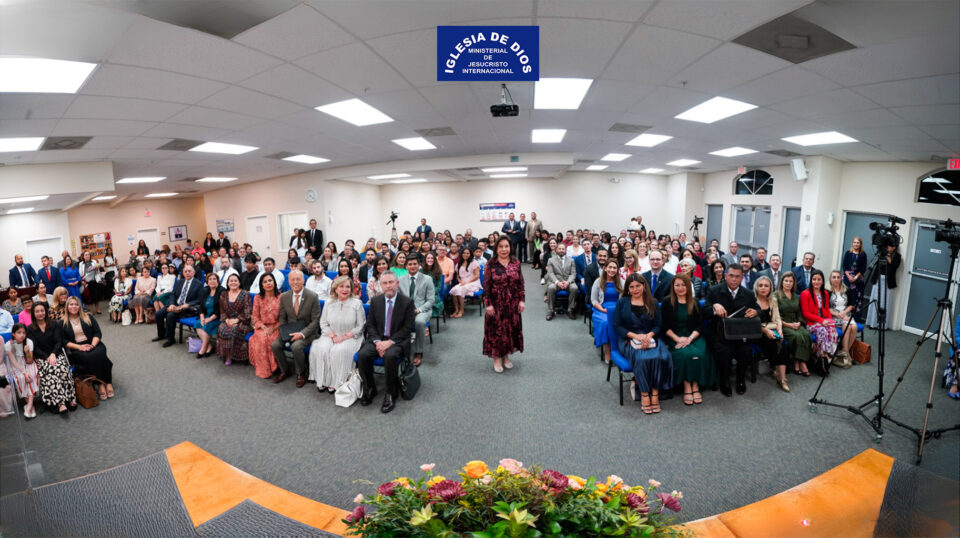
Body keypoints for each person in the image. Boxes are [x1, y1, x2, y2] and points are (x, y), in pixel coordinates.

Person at [612, 273, 673, 414]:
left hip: (651, 337)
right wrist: (636, 337)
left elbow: (658, 325)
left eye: (638, 286)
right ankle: (645, 393)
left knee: (662, 357)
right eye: (631, 287)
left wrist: (648, 336)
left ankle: (656, 393)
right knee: (642, 358)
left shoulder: (652, 302)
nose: (635, 289)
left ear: (644, 286)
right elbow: (618, 326)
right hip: (628, 339)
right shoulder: (622, 302)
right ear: (628, 289)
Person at [357, 271, 414, 413]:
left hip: (397, 341)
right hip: (378, 339)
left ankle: (391, 393)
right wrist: (377, 342)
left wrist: (389, 342)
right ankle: (370, 388)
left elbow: (407, 329)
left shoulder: (407, 302)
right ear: (380, 285)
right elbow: (370, 325)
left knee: (389, 356)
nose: (388, 286)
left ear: (397, 284)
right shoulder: (376, 301)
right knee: (363, 355)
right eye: (385, 283)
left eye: (391, 282)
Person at [706, 264, 759, 396]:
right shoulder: (714, 290)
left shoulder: (748, 294)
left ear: (742, 278)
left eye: (737, 276)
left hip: (740, 333)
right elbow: (704, 310)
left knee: (745, 351)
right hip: (719, 333)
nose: (734, 279)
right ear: (725, 276)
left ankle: (740, 380)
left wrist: (756, 312)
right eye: (731, 276)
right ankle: (725, 381)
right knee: (725, 351)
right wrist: (714, 307)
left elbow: (760, 310)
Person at [661, 274, 714, 405]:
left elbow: (699, 325)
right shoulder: (668, 302)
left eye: (683, 285)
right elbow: (664, 326)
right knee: (685, 354)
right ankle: (687, 386)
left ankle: (695, 385)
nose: (680, 288)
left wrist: (689, 339)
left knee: (699, 354)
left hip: (693, 336)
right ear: (673, 287)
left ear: (688, 286)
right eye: (677, 285)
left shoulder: (694, 302)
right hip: (674, 336)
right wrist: (678, 339)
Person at [309, 275, 365, 393]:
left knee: (337, 351)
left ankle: (337, 382)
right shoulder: (329, 302)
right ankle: (323, 380)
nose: (344, 290)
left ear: (351, 289)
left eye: (348, 287)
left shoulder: (357, 303)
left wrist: (344, 336)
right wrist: (333, 336)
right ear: (335, 289)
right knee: (321, 348)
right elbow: (323, 323)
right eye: (341, 286)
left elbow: (361, 326)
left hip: (351, 336)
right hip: (331, 334)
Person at [270, 270, 320, 387]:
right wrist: (285, 332)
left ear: (304, 280)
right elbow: (282, 317)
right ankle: (285, 371)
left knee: (296, 346)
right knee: (275, 345)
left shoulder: (312, 296)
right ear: (289, 281)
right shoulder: (285, 296)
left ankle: (301, 373)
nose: (295, 282)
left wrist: (301, 334)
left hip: (307, 332)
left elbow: (315, 321)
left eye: (298, 279)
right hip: (289, 330)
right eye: (292, 279)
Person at [483, 236, 525, 373]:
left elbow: (521, 283)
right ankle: (496, 357)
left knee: (509, 330)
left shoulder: (516, 263)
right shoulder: (491, 264)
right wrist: (488, 304)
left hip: (512, 303)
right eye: (500, 246)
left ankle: (506, 356)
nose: (504, 249)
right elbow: (487, 285)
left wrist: (522, 300)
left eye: (506, 246)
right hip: (496, 303)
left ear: (510, 247)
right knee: (496, 331)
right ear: (496, 248)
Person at [27, 302, 77, 414]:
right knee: (51, 370)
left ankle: (70, 398)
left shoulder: (54, 324)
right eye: (37, 311)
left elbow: (59, 341)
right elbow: (34, 347)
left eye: (42, 311)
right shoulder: (30, 329)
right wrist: (47, 357)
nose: (40, 313)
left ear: (46, 311)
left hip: (56, 353)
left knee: (63, 369)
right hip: (41, 357)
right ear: (33, 313)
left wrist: (53, 354)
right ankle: (60, 403)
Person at [61, 296, 114, 400]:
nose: (74, 307)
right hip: (76, 347)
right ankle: (100, 383)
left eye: (76, 304)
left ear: (80, 306)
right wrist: (79, 347)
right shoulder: (62, 322)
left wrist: (92, 345)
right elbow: (64, 341)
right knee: (89, 358)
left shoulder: (88, 316)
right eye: (71, 304)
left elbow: (97, 332)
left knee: (100, 354)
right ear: (67, 307)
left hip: (93, 343)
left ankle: (107, 382)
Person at [753, 276, 791, 392]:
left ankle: (782, 378)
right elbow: (751, 323)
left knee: (781, 342)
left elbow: (778, 318)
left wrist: (780, 329)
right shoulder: (752, 301)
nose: (763, 288)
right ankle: (775, 368)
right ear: (756, 287)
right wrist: (766, 331)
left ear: (770, 288)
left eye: (766, 286)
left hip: (772, 329)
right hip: (757, 332)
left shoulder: (773, 300)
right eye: (761, 285)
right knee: (773, 342)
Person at [153, 264, 203, 347]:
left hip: (187, 308)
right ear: (183, 273)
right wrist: (172, 304)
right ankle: (161, 335)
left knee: (170, 315)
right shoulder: (180, 282)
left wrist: (188, 304)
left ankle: (170, 339)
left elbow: (199, 299)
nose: (187, 273)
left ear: (193, 273)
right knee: (158, 313)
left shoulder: (198, 284)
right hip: (175, 305)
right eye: (185, 271)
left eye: (189, 271)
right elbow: (173, 294)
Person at [398, 256, 434, 367]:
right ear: (406, 266)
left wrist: (418, 310)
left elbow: (431, 300)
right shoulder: (400, 280)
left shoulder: (427, 279)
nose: (412, 266)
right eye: (410, 264)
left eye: (414, 264)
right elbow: (398, 298)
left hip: (423, 309)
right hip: (406, 310)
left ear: (419, 265)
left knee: (419, 322)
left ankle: (418, 352)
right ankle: (399, 349)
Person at [800, 269, 838, 374]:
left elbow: (826, 310)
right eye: (814, 279)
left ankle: (824, 357)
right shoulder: (805, 293)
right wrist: (821, 321)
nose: (816, 282)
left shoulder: (825, 293)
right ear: (811, 280)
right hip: (811, 323)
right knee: (823, 331)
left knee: (832, 330)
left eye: (819, 279)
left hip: (823, 321)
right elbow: (806, 314)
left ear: (822, 281)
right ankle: (822, 357)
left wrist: (830, 320)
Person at [776, 272, 813, 377]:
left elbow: (800, 313)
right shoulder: (776, 295)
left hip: (795, 322)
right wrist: (788, 325)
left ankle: (799, 361)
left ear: (793, 283)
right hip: (782, 323)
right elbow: (775, 316)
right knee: (797, 336)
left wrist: (799, 322)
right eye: (786, 281)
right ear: (782, 282)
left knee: (806, 335)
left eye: (790, 281)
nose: (788, 283)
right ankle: (801, 363)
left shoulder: (796, 296)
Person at [249, 273, 281, 379]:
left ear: (274, 282)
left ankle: (274, 367)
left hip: (277, 326)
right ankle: (264, 368)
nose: (268, 283)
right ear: (261, 285)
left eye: (270, 280)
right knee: (262, 338)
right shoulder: (258, 298)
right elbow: (255, 316)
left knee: (270, 339)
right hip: (261, 327)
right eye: (265, 282)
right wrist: (263, 327)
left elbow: (283, 318)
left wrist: (273, 328)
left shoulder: (281, 297)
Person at [216, 274, 251, 366]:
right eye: (231, 281)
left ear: (239, 283)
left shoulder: (245, 294)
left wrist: (237, 320)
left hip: (243, 321)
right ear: (227, 283)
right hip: (227, 320)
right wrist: (226, 320)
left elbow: (247, 311)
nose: (233, 282)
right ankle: (227, 355)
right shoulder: (223, 294)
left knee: (234, 331)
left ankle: (237, 356)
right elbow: (222, 310)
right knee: (222, 329)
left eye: (235, 280)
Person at [591, 259, 622, 365]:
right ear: (605, 268)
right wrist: (602, 309)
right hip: (602, 309)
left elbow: (623, 300)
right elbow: (594, 300)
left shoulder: (621, 281)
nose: (612, 270)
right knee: (605, 323)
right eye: (610, 267)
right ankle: (608, 351)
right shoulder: (598, 281)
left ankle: (619, 350)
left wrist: (617, 311)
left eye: (614, 268)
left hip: (617, 309)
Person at [5, 323, 38, 418]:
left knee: (32, 374)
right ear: (13, 334)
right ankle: (30, 406)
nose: (22, 335)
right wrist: (24, 373)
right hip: (16, 366)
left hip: (28, 363)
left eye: (24, 332)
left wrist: (27, 352)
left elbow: (29, 361)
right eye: (19, 332)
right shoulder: (9, 344)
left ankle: (29, 405)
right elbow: (13, 362)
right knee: (20, 378)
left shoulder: (29, 342)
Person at [866, 244, 901, 329]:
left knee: (885, 302)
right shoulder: (881, 253)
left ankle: (882, 325)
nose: (888, 247)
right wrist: (883, 253)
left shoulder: (897, 256)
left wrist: (888, 255)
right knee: (875, 300)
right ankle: (872, 323)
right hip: (878, 279)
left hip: (888, 282)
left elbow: (893, 267)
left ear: (894, 247)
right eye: (887, 245)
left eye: (890, 246)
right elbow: (876, 264)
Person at [828, 270, 858, 366]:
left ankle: (844, 353)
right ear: (830, 279)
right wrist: (838, 315)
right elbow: (826, 308)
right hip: (833, 315)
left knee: (854, 327)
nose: (836, 279)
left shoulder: (846, 289)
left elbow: (851, 305)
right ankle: (846, 355)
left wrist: (844, 313)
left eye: (838, 277)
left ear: (841, 278)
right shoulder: (827, 291)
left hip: (845, 314)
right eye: (834, 277)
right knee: (847, 326)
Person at [545, 240, 578, 321]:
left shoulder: (571, 260)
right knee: (551, 288)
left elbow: (573, 274)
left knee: (574, 288)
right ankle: (551, 311)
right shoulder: (551, 260)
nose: (561, 250)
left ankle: (570, 309)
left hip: (568, 282)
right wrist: (557, 282)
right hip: (556, 282)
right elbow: (550, 273)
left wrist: (568, 282)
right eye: (559, 249)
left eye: (563, 249)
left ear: (565, 250)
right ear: (556, 250)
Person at [193, 273, 222, 358]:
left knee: (206, 326)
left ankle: (203, 347)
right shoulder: (206, 291)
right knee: (198, 324)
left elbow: (220, 309)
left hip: (217, 317)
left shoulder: (221, 291)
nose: (212, 281)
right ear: (207, 281)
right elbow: (201, 306)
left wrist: (209, 319)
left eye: (214, 279)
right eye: (210, 279)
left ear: (217, 281)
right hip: (206, 316)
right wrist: (202, 317)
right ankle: (209, 345)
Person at [448, 248, 481, 318]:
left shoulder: (474, 262)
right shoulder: (459, 263)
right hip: (463, 282)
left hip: (473, 282)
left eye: (467, 253)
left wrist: (467, 282)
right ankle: (456, 310)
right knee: (453, 290)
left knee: (460, 290)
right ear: (461, 254)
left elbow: (477, 276)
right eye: (464, 253)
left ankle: (461, 310)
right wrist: (461, 282)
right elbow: (457, 276)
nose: (465, 254)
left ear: (470, 254)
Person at [422, 251, 445, 319]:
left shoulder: (438, 270)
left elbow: (439, 286)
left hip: (434, 294)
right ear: (425, 259)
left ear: (434, 260)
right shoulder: (420, 271)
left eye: (432, 258)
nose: (430, 260)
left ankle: (426, 323)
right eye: (428, 258)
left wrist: (430, 292)